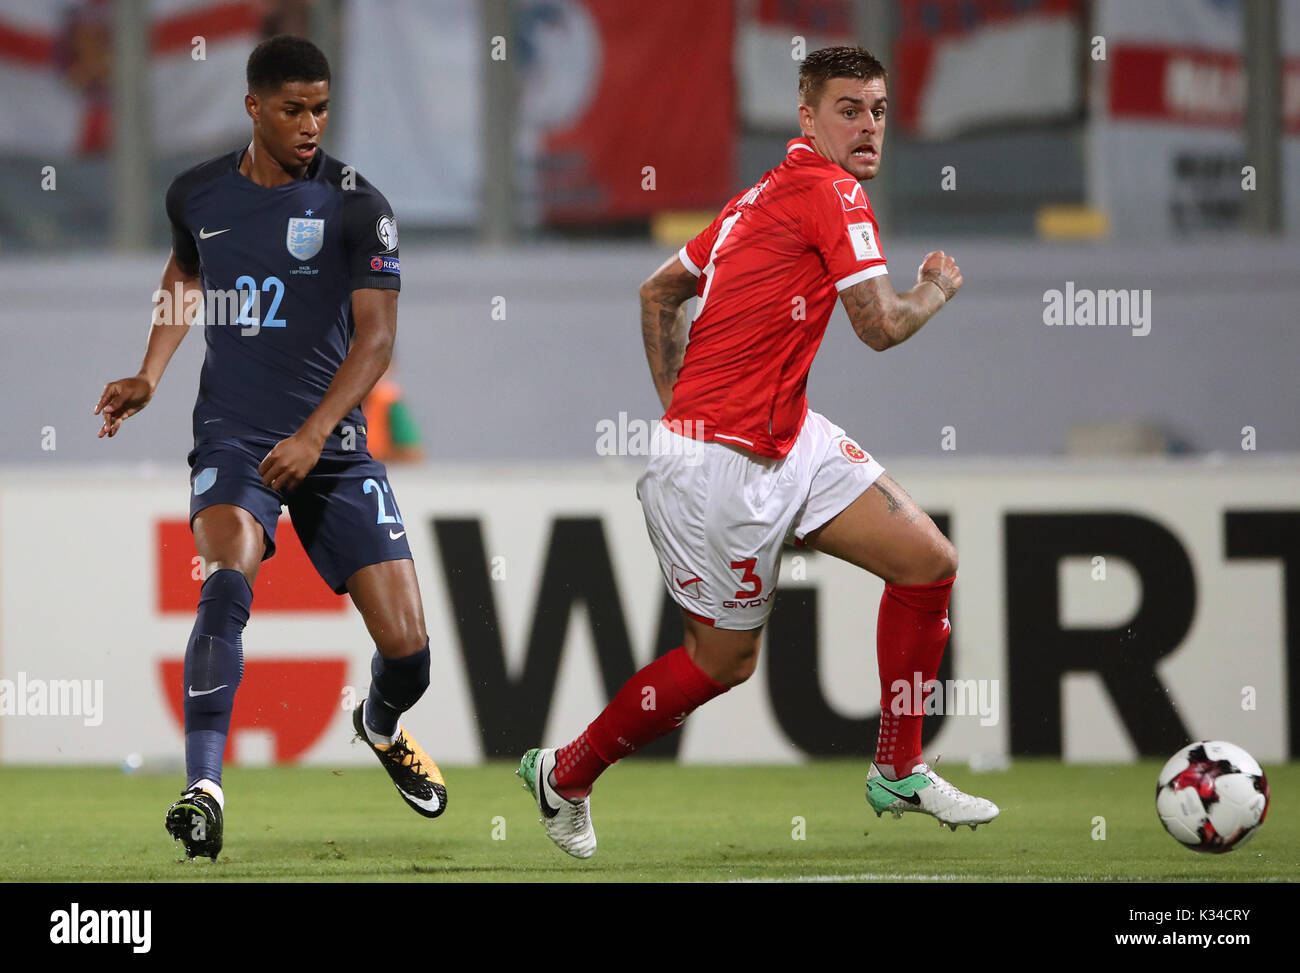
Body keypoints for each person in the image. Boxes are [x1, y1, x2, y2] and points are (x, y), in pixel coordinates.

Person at [518, 46, 997, 858]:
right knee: (722, 663)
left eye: (879, 109)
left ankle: (900, 767)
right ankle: (564, 773)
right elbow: (880, 326)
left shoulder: (760, 197)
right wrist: (936, 290)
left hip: (787, 434)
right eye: (849, 109)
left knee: (927, 562)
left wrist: (680, 405)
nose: (869, 126)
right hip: (721, 470)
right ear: (806, 117)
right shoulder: (830, 191)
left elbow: (659, 290)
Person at [93, 35, 446, 861]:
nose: (311, 124)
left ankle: (380, 722)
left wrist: (316, 433)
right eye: (293, 109)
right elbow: (186, 272)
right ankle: (203, 788)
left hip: (335, 445)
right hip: (234, 435)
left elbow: (377, 339)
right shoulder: (199, 194)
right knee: (226, 576)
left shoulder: (359, 205)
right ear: (253, 107)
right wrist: (150, 371)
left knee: (410, 652)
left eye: (321, 108)